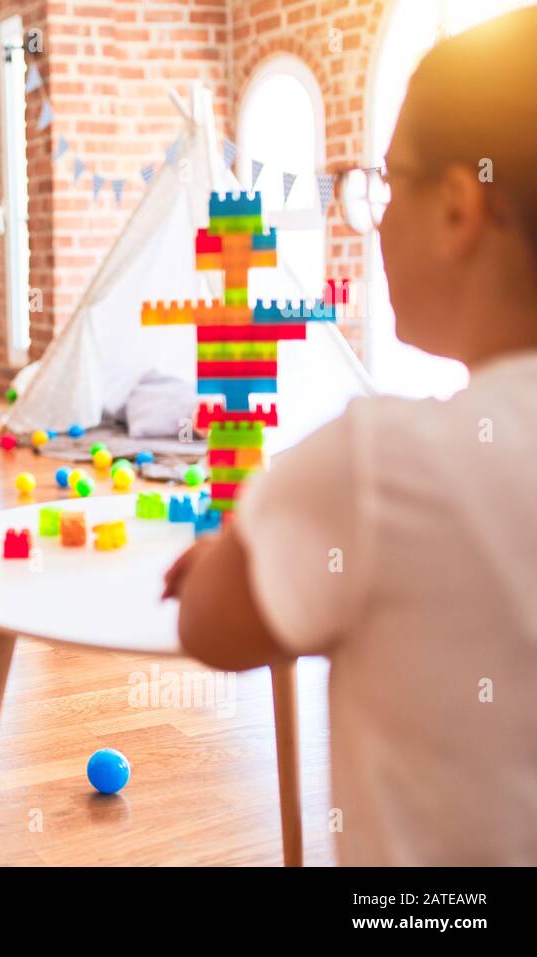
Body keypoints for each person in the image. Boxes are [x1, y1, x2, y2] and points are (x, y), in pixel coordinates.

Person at [165, 7, 537, 864]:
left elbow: (213, 627)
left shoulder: (377, 463)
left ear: (457, 207)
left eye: (383, 182)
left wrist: (240, 545)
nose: (370, 214)